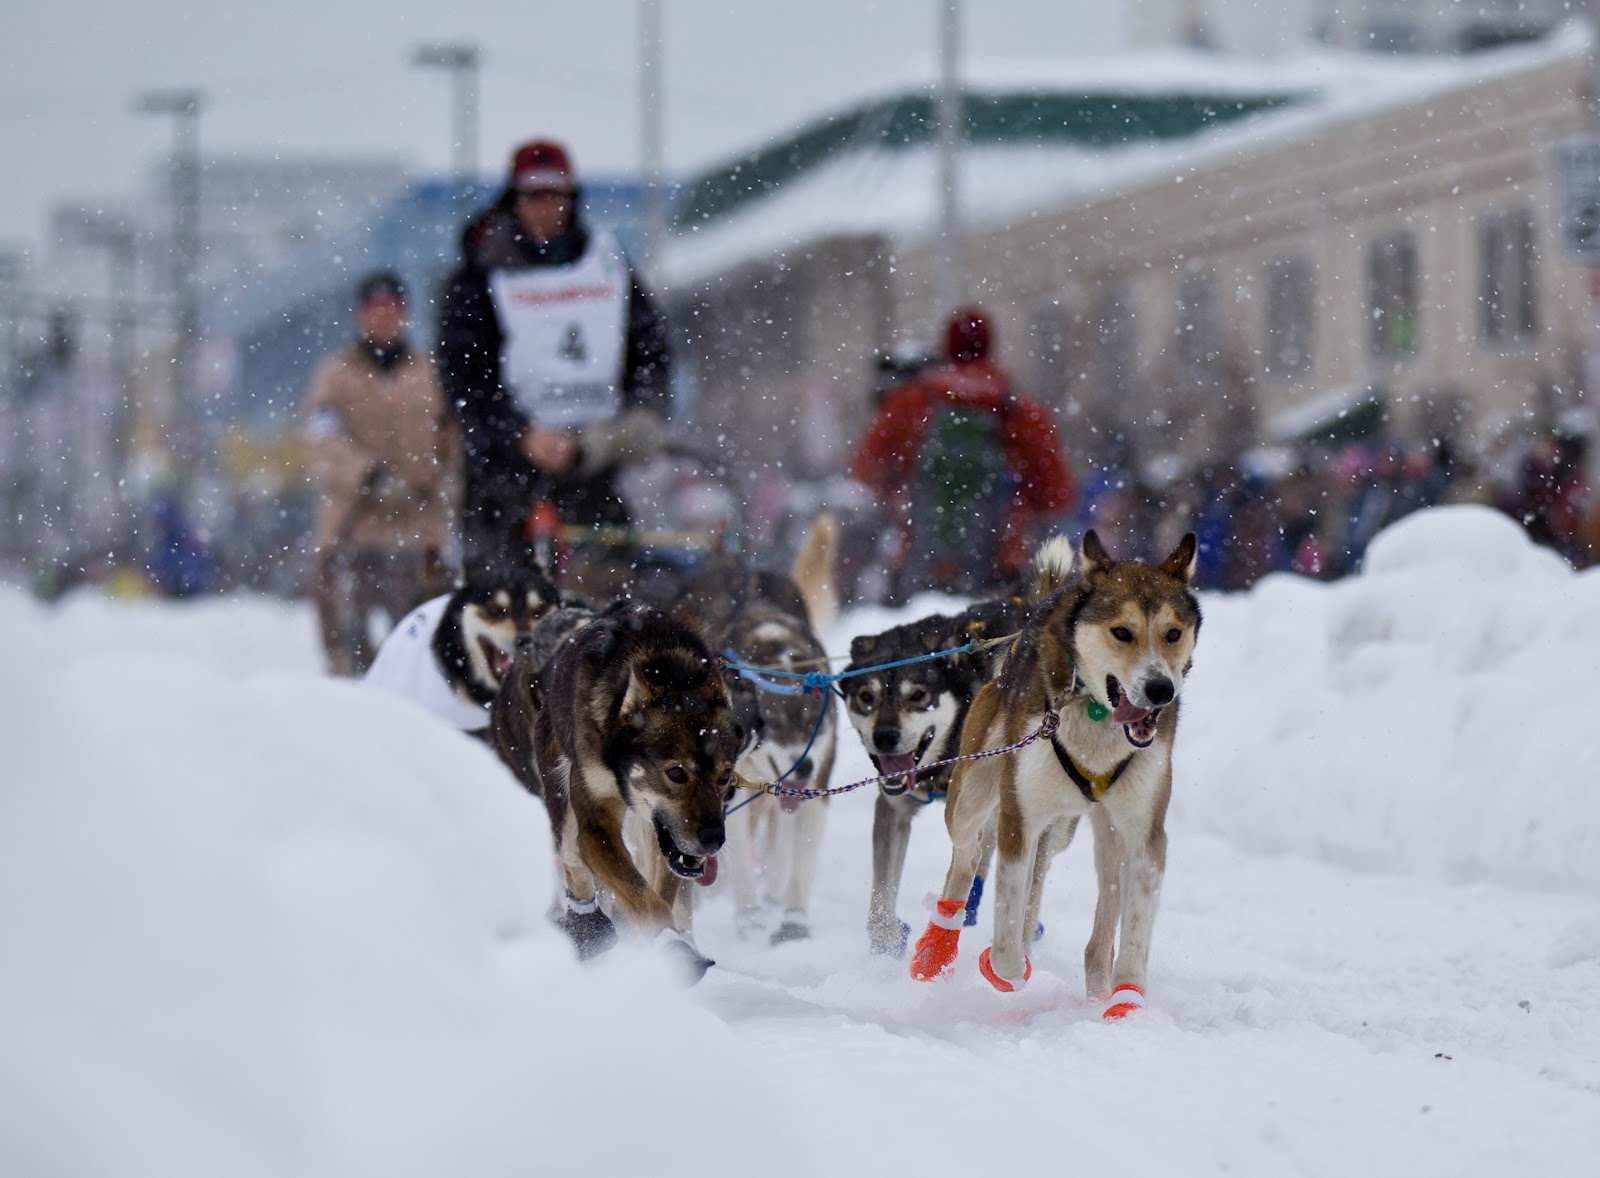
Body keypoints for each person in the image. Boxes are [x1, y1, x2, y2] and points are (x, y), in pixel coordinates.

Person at [437, 139, 673, 585]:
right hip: (504, 477)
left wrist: (641, 413)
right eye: (533, 195)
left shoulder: (608, 261)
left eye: (555, 195)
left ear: (572, 198)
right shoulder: (479, 274)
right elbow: (463, 379)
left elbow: (651, 349)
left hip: (595, 465)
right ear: (513, 199)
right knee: (503, 599)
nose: (545, 208)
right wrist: (519, 434)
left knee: (610, 594)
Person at [849, 306, 1076, 596]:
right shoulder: (1019, 410)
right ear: (991, 346)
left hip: (919, 560)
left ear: (945, 347)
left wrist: (902, 490)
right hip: (999, 567)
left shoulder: (911, 402)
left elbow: (864, 471)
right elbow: (1057, 496)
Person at [303, 271, 460, 676]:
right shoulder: (336, 375)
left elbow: (453, 440)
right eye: (376, 310)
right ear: (360, 316)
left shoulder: (430, 374)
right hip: (353, 531)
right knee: (349, 647)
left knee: (425, 648)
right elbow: (323, 439)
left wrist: (438, 478)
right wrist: (367, 475)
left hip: (419, 531)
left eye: (394, 309)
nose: (385, 318)